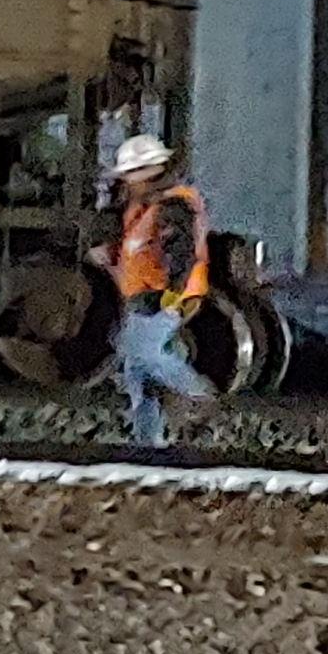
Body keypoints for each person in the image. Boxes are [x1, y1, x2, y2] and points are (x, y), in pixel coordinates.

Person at [89, 134, 218, 447]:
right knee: (138, 371)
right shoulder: (144, 206)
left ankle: (198, 394)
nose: (126, 182)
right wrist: (109, 257)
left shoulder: (173, 204)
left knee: (138, 349)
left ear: (150, 172)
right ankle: (148, 442)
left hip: (166, 296)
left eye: (130, 175)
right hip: (141, 296)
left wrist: (171, 292)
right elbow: (138, 250)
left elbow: (181, 251)